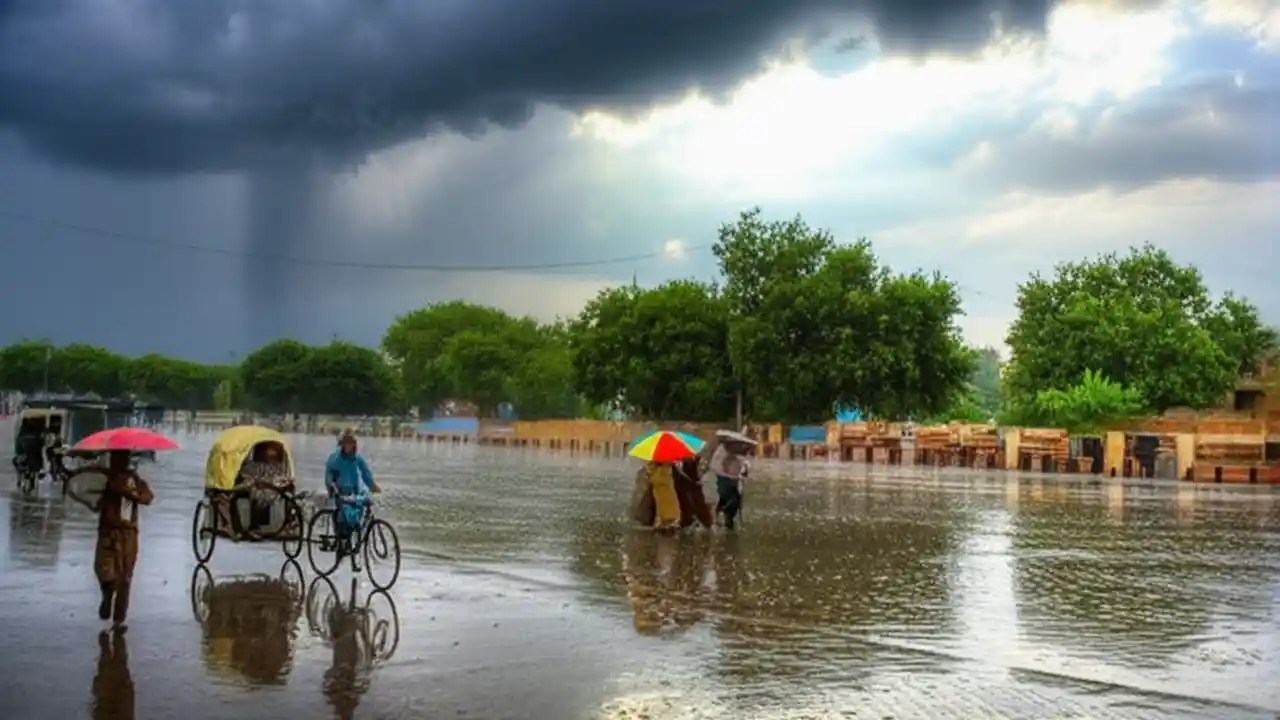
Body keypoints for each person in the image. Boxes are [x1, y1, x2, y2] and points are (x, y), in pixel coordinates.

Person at [67, 451, 155, 630]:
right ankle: (107, 596)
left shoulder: (133, 479)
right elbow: (91, 497)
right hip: (108, 532)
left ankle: (119, 619)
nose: (119, 462)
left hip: (128, 534)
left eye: (122, 459)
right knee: (104, 570)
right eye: (116, 459)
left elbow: (148, 497)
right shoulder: (104, 477)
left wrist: (132, 492)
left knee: (125, 577)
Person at [325, 432, 376, 569]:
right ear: (342, 445)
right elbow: (329, 474)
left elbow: (366, 473)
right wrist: (332, 486)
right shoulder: (335, 459)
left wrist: (372, 486)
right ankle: (341, 546)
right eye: (346, 444)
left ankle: (353, 551)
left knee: (358, 517)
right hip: (341, 492)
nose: (348, 446)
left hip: (355, 493)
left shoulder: (357, 459)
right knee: (344, 518)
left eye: (351, 444)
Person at [709, 441, 748, 529]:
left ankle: (724, 520)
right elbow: (717, 468)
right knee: (728, 502)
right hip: (725, 483)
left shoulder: (738, 457)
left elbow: (742, 471)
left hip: (733, 484)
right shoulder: (721, 454)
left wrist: (743, 472)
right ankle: (719, 520)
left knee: (732, 504)